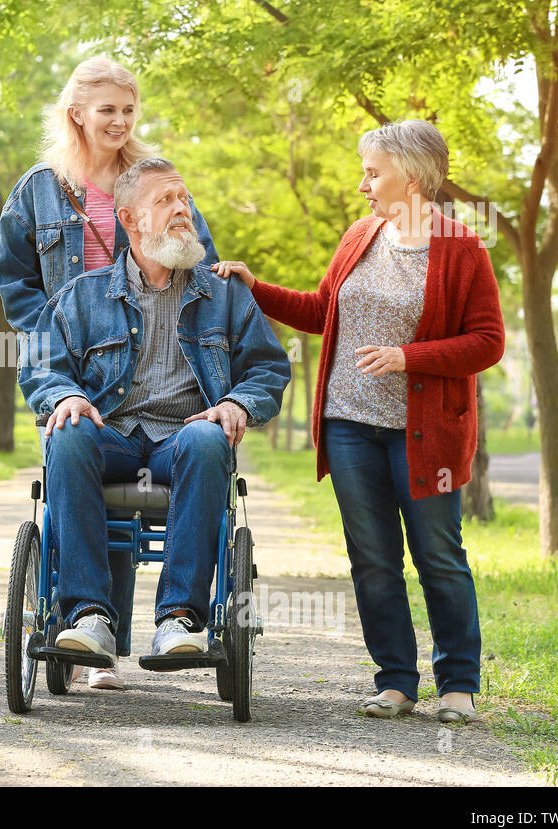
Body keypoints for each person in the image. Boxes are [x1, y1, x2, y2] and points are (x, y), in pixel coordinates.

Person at [214, 119, 505, 723]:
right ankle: (395, 681)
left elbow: (488, 342)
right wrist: (256, 288)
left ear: (413, 175)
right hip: (348, 423)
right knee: (372, 558)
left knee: (438, 555)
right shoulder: (359, 235)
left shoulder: (462, 248)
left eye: (373, 172)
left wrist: (408, 357)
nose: (362, 184)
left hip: (426, 435)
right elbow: (324, 311)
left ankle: (458, 684)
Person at [0, 55, 220, 689]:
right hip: (73, 359)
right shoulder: (39, 188)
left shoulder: (153, 181)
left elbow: (198, 258)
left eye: (128, 110)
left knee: (141, 461)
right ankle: (90, 623)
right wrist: (61, 334)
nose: (120, 121)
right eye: (107, 111)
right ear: (77, 115)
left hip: (147, 364)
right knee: (79, 462)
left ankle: (111, 634)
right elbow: (13, 276)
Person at [22, 157, 289, 669]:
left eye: (183, 199)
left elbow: (268, 369)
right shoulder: (84, 296)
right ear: (129, 220)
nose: (180, 210)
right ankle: (88, 616)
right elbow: (40, 367)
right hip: (112, 435)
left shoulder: (225, 295)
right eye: (164, 201)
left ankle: (179, 620)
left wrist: (236, 403)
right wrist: (64, 397)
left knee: (210, 440)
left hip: (184, 439)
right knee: (69, 432)